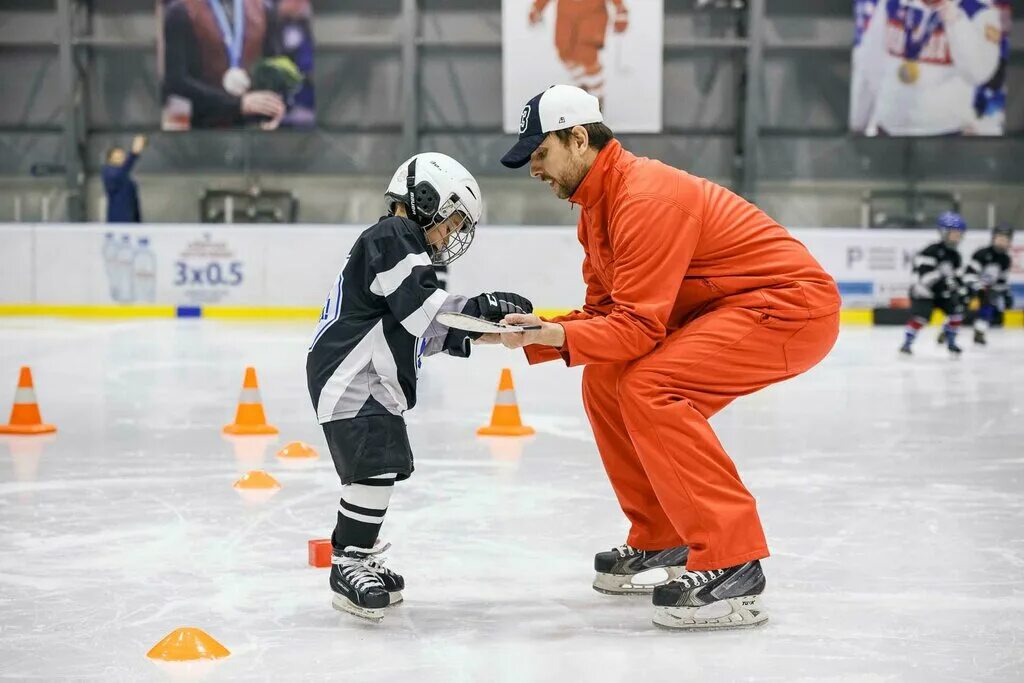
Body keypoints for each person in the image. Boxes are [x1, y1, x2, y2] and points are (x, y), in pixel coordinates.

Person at [488, 85, 841, 630]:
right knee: (604, 379)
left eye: (541, 153)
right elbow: (604, 314)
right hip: (725, 308)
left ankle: (733, 560)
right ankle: (663, 536)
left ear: (578, 138)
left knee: (652, 386)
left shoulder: (644, 197)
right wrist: (533, 332)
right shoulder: (596, 209)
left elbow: (637, 327)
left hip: (788, 306)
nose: (533, 168)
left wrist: (553, 337)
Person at [305, 152, 532, 621]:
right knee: (372, 468)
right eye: (449, 222)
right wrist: (485, 305)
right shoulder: (392, 236)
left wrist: (493, 332)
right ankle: (347, 561)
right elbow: (428, 312)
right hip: (350, 375)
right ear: (425, 199)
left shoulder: (402, 252)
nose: (449, 235)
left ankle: (359, 556)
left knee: (381, 467)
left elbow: (428, 332)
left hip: (365, 376)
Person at [850, 0, 1002, 136]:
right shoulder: (891, 4)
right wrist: (857, 124)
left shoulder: (979, 11)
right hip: (888, 130)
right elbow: (868, 66)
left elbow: (978, 74)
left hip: (945, 133)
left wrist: (956, 22)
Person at [162, 0, 285, 129]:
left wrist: (274, 106)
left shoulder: (264, 9)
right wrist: (237, 104)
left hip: (250, 126)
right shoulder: (181, 11)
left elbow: (276, 71)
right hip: (201, 124)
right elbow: (176, 81)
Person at [528, 0, 629, 106]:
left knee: (587, 54)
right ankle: (582, 84)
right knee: (564, 52)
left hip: (592, 16)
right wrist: (537, 8)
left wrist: (621, 13)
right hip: (566, 17)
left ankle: (596, 96)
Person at [899, 211, 968, 355]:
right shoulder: (930, 251)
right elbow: (924, 278)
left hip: (941, 292)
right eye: (954, 233)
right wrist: (945, 282)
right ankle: (907, 343)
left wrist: (961, 289)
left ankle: (951, 342)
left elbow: (957, 277)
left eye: (959, 233)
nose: (957, 236)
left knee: (957, 311)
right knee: (921, 317)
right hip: (923, 292)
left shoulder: (956, 256)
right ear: (944, 232)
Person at [962, 224, 1014, 345]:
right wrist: (978, 287)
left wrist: (1006, 293)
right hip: (970, 284)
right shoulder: (982, 253)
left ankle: (979, 332)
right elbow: (969, 274)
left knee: (989, 307)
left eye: (1005, 240)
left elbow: (1001, 281)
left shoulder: (1005, 259)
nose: (1002, 242)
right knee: (959, 307)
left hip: (987, 289)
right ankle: (946, 330)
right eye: (1000, 239)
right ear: (993, 239)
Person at [101, 135, 146, 223]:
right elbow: (120, 172)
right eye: (118, 157)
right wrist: (134, 153)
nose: (122, 159)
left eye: (122, 157)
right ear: (110, 159)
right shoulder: (109, 172)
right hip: (118, 220)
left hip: (131, 220)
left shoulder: (126, 178)